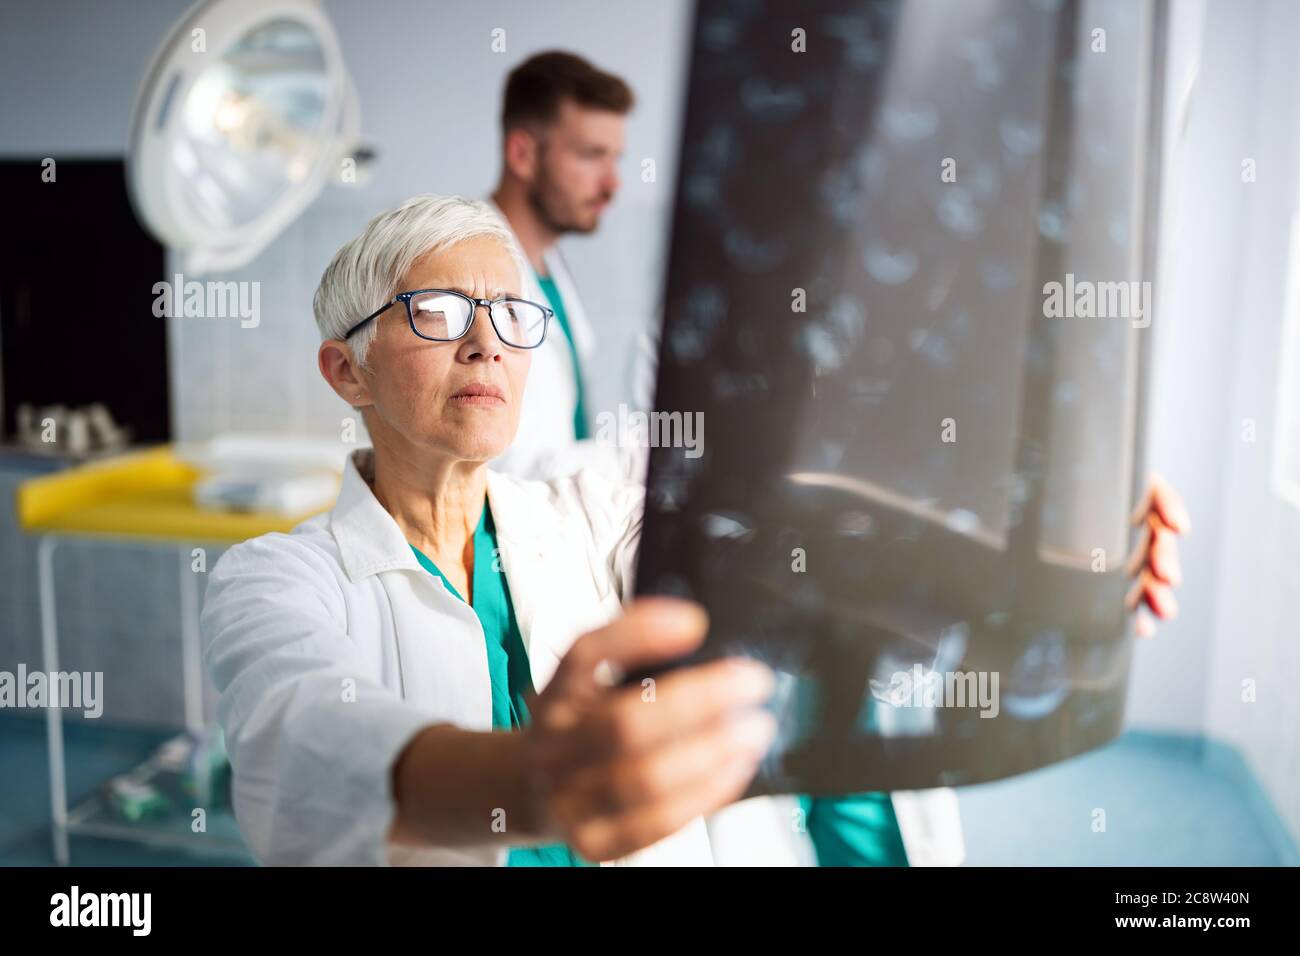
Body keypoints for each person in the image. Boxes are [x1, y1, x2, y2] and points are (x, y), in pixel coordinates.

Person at [200, 194, 1187, 866]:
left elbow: (793, 494)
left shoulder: (590, 498)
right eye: (440, 310)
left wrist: (1047, 511)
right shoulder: (275, 579)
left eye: (510, 312)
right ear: (347, 370)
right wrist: (530, 784)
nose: (486, 340)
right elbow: (299, 745)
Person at [487, 51, 640, 481]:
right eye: (592, 155)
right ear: (522, 155)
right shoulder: (471, 279)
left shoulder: (550, 262)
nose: (613, 183)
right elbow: (500, 469)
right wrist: (637, 456)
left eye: (617, 158)